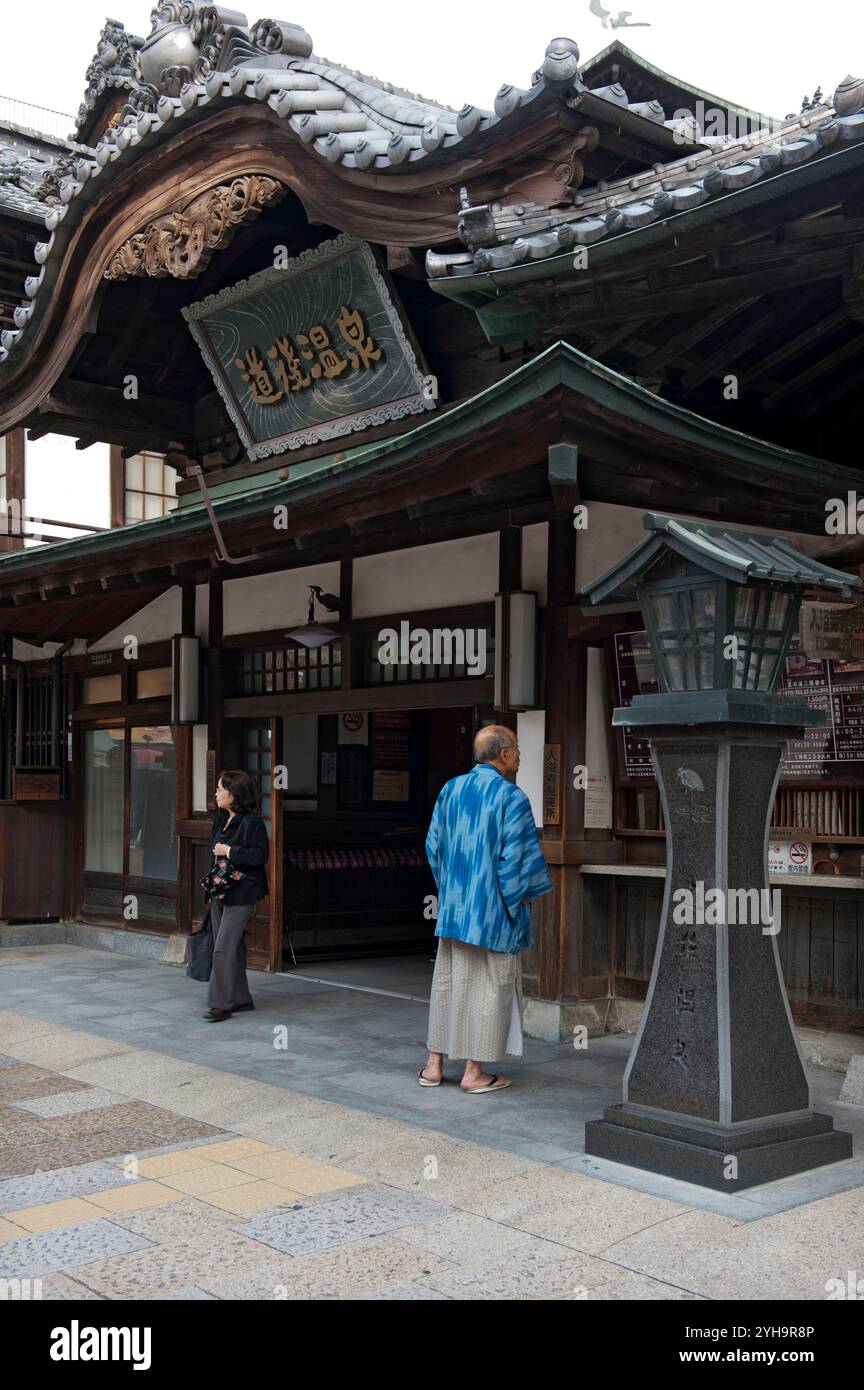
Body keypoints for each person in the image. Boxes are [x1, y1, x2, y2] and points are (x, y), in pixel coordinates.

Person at [420, 725, 551, 1093]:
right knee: (490, 987)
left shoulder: (451, 789)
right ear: (504, 754)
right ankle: (474, 1071)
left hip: (456, 909)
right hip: (494, 913)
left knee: (448, 982)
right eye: (518, 749)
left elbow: (433, 847)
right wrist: (520, 897)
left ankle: (433, 1065)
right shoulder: (511, 798)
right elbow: (515, 862)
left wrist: (451, 891)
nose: (520, 755)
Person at [203, 770, 270, 1022]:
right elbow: (213, 857)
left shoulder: (252, 823)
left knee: (222, 949)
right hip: (220, 891)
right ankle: (241, 998)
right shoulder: (220, 819)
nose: (216, 793)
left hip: (241, 893)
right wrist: (210, 890)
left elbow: (259, 856)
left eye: (221, 789)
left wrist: (230, 851)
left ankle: (220, 1004)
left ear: (235, 794)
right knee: (234, 948)